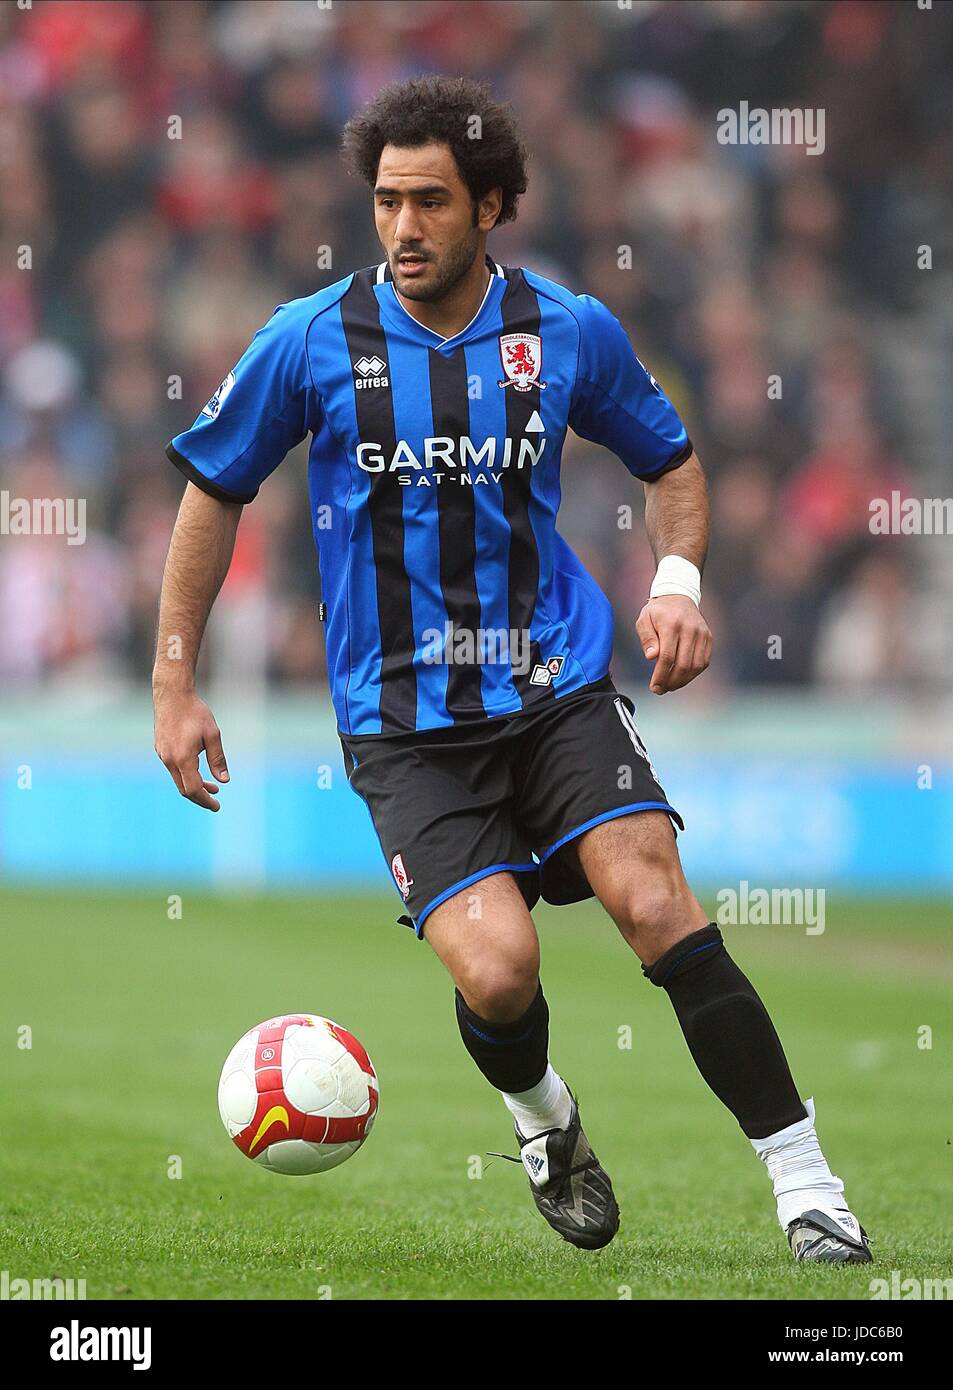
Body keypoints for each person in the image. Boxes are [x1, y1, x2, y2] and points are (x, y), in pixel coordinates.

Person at [153, 75, 869, 1262]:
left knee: (654, 903)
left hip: (554, 687)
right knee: (497, 973)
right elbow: (210, 493)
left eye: (430, 202)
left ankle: (806, 1185)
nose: (402, 228)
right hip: (400, 726)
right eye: (385, 201)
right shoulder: (308, 339)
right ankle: (545, 1122)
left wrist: (678, 583)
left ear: (491, 206)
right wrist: (175, 680)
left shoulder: (567, 329)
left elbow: (672, 462)